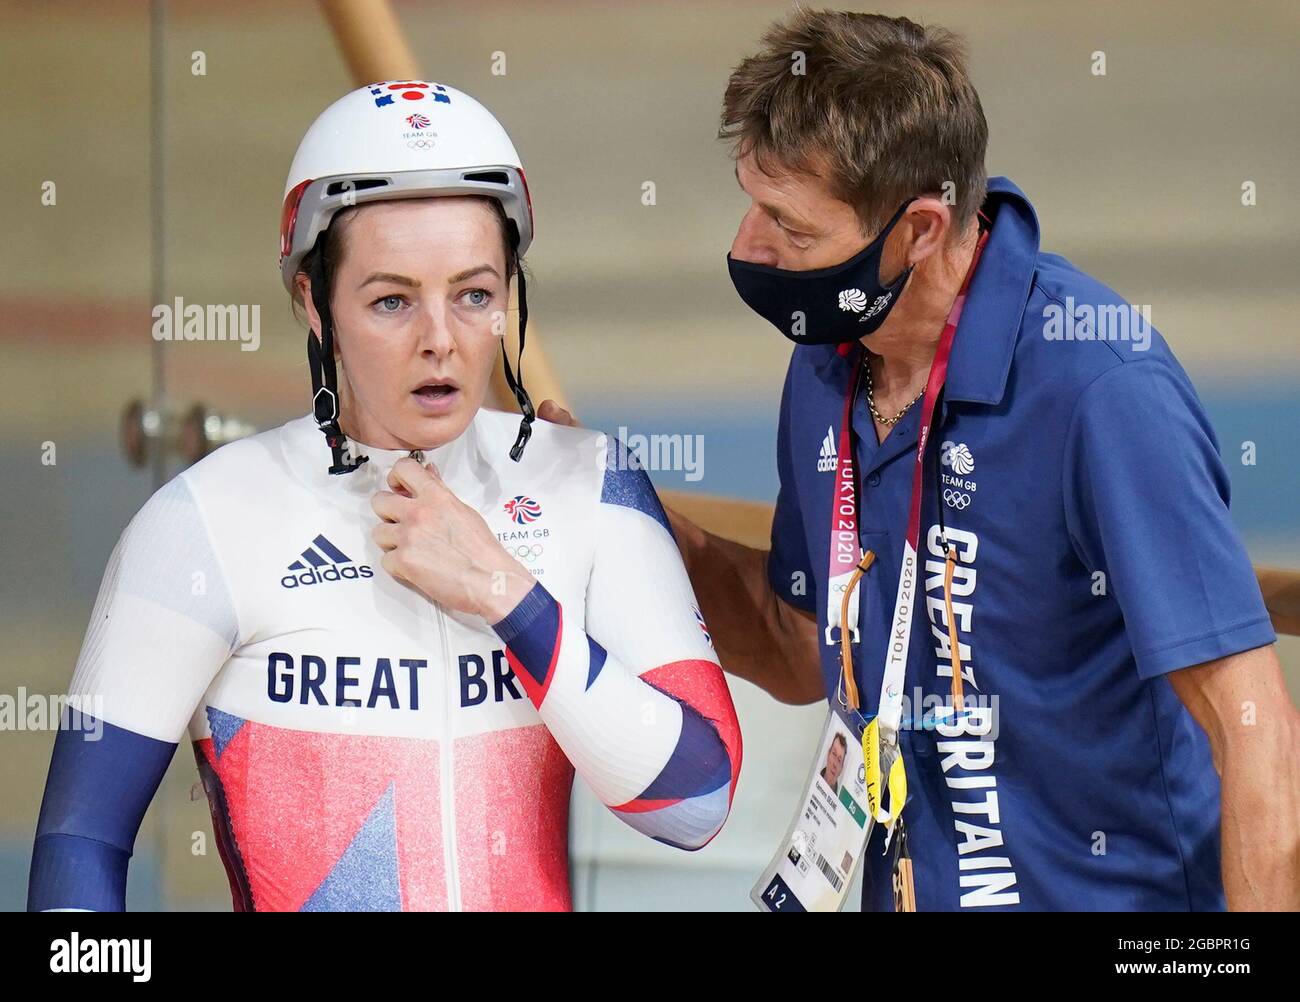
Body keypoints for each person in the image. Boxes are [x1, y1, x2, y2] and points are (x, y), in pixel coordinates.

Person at [548, 10, 1298, 911]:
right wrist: (621, 516)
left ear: (919, 229)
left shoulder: (1099, 391)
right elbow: (797, 644)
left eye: (788, 224)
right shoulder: (830, 359)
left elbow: (1254, 733)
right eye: (751, 203)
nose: (748, 246)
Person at [27, 80, 741, 912]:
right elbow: (81, 848)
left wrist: (507, 596)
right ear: (313, 303)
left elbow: (697, 804)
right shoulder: (206, 523)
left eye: (475, 294)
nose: (441, 339)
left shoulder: (589, 484)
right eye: (392, 300)